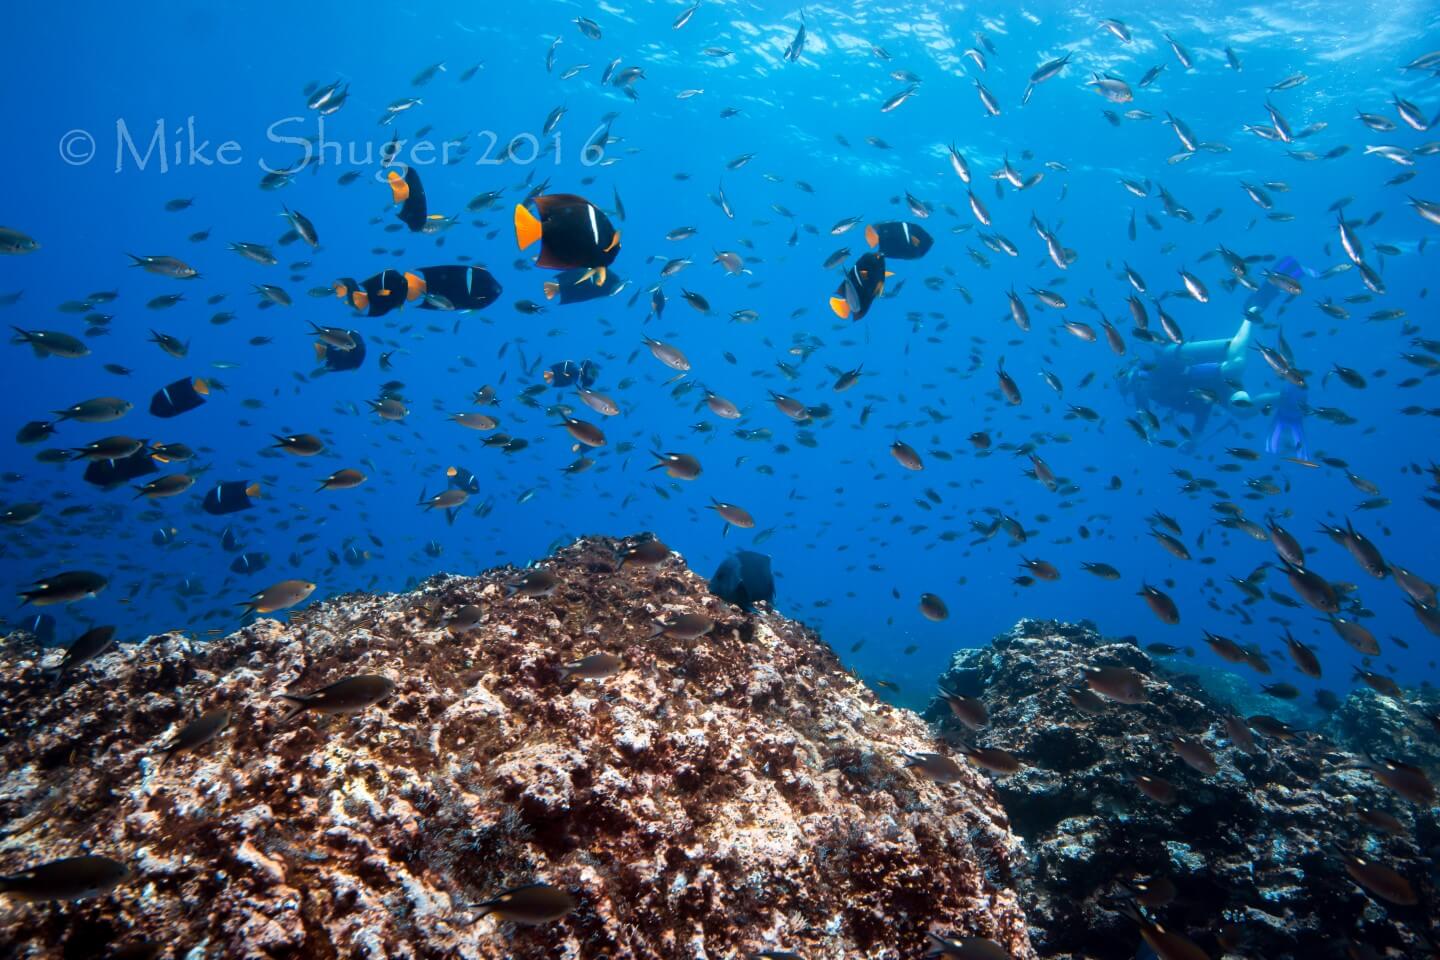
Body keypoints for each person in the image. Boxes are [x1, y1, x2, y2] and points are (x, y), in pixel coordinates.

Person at [1117, 256, 1306, 455]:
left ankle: (1253, 308)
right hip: (1214, 387)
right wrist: (1195, 438)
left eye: (1137, 381)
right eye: (1136, 388)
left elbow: (1185, 369)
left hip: (1204, 366)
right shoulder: (1161, 398)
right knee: (1243, 411)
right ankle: (1285, 396)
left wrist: (1215, 372)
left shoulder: (1158, 369)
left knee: (1236, 363)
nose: (1142, 385)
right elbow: (1201, 408)